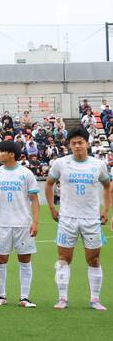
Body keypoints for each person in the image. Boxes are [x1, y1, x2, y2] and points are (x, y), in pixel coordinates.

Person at [45, 127, 111, 311]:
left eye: (80, 142)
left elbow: (107, 186)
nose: (77, 146)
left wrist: (106, 209)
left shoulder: (98, 165)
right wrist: (51, 207)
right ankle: (62, 298)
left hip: (91, 220)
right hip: (67, 219)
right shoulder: (60, 163)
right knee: (63, 259)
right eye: (73, 143)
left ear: (87, 143)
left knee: (94, 259)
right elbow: (49, 185)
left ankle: (95, 299)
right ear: (69, 145)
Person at [0, 140, 40, 308]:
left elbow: (35, 200)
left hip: (23, 223)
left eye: (1, 151)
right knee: (1, 259)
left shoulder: (26, 173)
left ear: (11, 154)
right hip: (2, 223)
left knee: (24, 259)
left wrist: (36, 222)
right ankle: (1, 296)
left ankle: (25, 297)